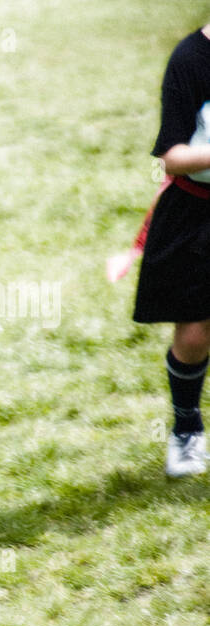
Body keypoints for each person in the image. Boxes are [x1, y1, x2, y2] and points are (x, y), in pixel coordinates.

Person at [132, 21, 210, 478]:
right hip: (195, 213)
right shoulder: (189, 60)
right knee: (196, 332)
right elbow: (172, 154)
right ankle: (186, 431)